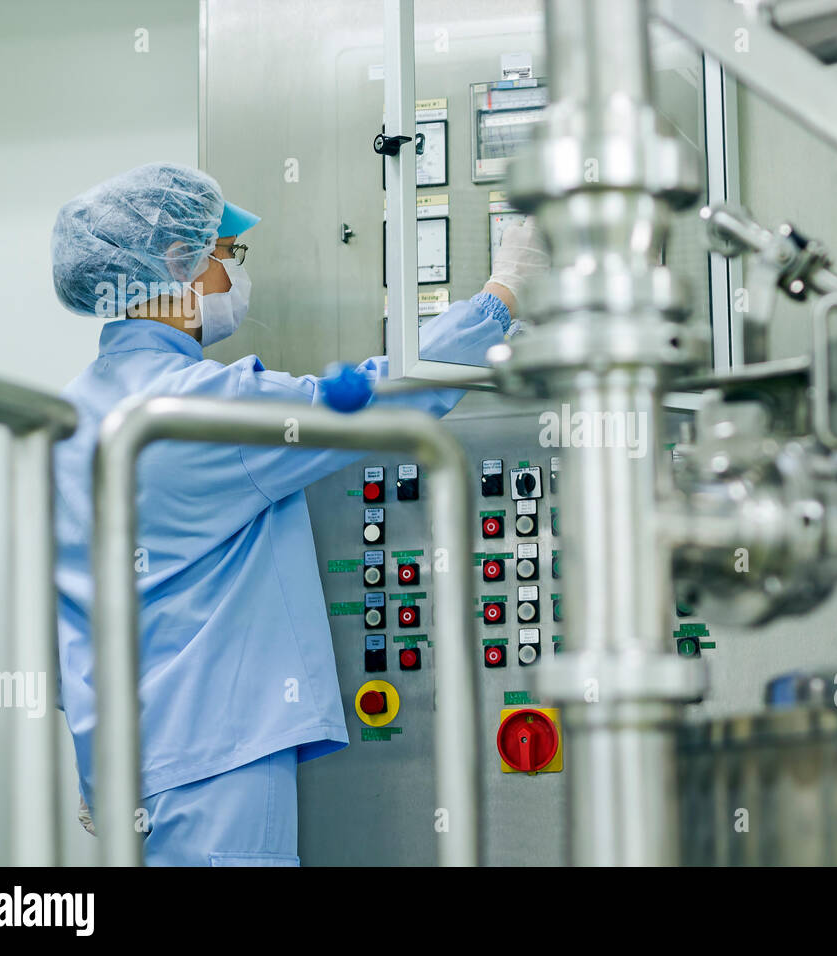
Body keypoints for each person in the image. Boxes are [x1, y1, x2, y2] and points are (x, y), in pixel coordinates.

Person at [50, 162, 547, 865]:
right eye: (229, 256)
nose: (234, 279)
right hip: (214, 759)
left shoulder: (68, 415)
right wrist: (500, 301)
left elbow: (65, 606)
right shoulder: (192, 408)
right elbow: (369, 401)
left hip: (136, 765)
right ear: (176, 263)